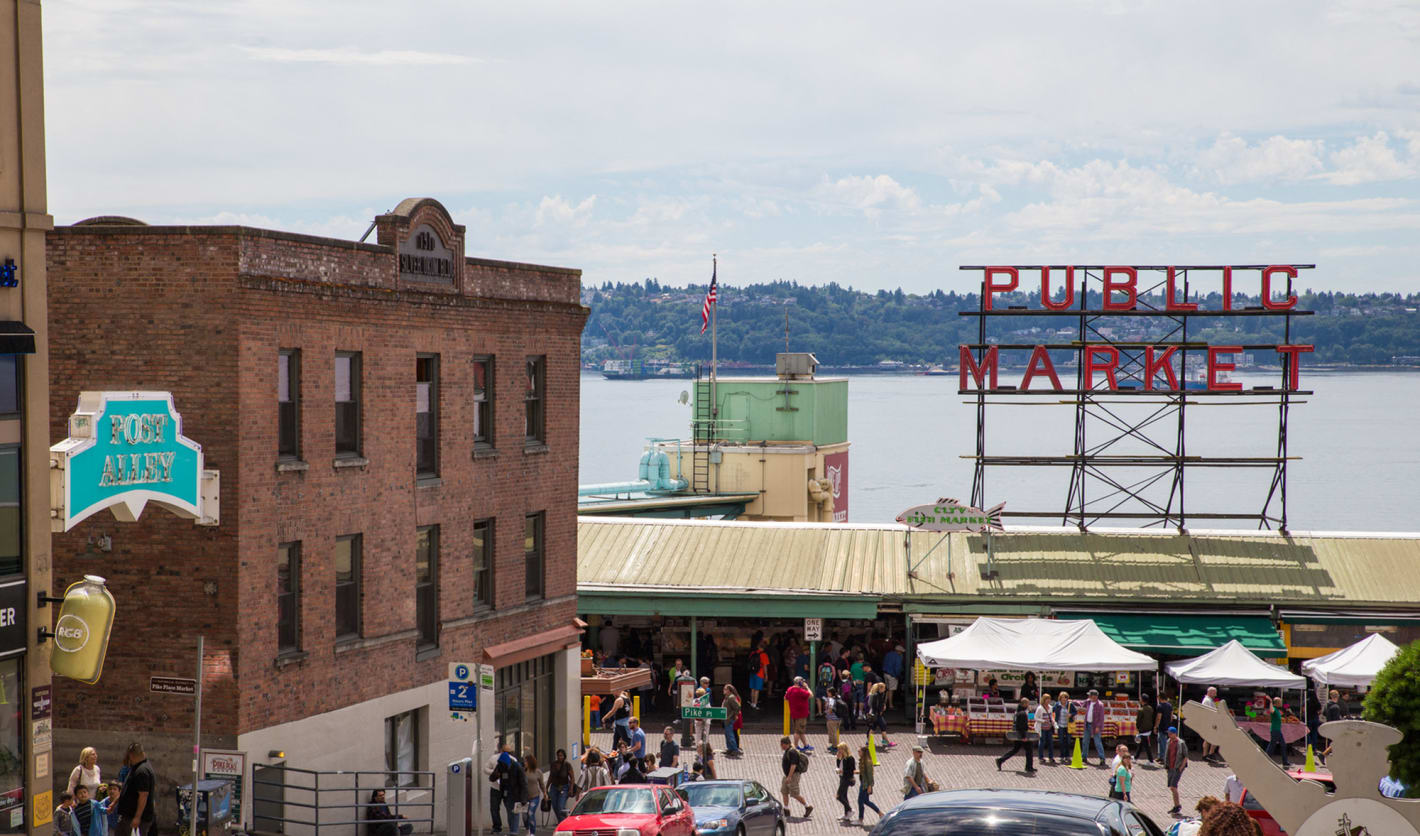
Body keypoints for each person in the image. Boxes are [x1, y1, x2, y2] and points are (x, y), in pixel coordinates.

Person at [115, 742, 155, 836]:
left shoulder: (142, 771)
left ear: (132, 755)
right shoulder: (136, 767)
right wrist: (114, 804)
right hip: (128, 816)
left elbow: (143, 795)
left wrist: (137, 817)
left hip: (135, 818)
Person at [996, 698, 1036, 773]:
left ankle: (1001, 760)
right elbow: (1021, 725)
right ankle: (1029, 767)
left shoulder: (1018, 711)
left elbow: (1020, 723)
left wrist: (1028, 726)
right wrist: (1023, 736)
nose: (1028, 705)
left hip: (1017, 733)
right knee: (1029, 750)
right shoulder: (1022, 713)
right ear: (1024, 704)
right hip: (1022, 734)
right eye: (1027, 704)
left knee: (1015, 749)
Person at [778, 736, 813, 818]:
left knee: (794, 793)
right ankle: (786, 809)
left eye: (782, 744)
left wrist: (789, 777)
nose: (781, 746)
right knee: (784, 791)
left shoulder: (792, 752)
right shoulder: (788, 751)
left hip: (793, 775)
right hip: (787, 775)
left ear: (786, 744)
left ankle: (807, 806)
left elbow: (793, 765)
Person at [485, 744, 513, 833]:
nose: (507, 754)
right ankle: (497, 827)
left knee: (510, 808)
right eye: (505, 752)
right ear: (501, 751)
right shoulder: (494, 758)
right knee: (494, 808)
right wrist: (495, 772)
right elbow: (485, 769)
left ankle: (512, 828)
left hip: (507, 788)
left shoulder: (513, 760)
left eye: (509, 752)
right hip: (495, 787)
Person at [1163, 726, 1189, 816]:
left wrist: (1181, 767)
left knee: (1173, 787)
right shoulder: (1168, 742)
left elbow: (1186, 756)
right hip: (1170, 767)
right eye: (1168, 734)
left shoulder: (1181, 743)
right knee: (1172, 787)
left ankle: (1177, 806)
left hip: (1177, 767)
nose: (1169, 735)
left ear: (1175, 734)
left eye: (1170, 734)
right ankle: (1176, 805)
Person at [856, 743, 882, 825]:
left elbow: (870, 775)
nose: (858, 753)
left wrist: (870, 786)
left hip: (865, 785)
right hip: (864, 783)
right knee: (866, 801)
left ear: (863, 752)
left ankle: (860, 819)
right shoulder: (863, 760)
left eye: (859, 751)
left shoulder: (867, 762)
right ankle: (880, 813)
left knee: (860, 801)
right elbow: (864, 772)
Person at [786, 676, 813, 752]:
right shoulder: (800, 691)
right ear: (799, 682)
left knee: (801, 731)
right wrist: (807, 687)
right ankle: (795, 746)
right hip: (801, 714)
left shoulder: (790, 689)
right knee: (798, 731)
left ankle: (806, 745)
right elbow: (811, 695)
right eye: (802, 682)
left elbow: (786, 697)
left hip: (794, 713)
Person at [547, 749, 574, 822]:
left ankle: (563, 823)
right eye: (558, 756)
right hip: (554, 787)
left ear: (564, 756)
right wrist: (546, 787)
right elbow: (550, 776)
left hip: (564, 788)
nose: (559, 757)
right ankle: (561, 821)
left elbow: (572, 778)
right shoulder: (553, 764)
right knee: (554, 806)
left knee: (560, 807)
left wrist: (571, 789)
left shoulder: (567, 765)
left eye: (561, 756)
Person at [1083, 690, 1108, 766]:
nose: (1089, 697)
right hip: (1087, 724)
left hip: (1095, 725)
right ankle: (1084, 756)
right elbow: (1081, 703)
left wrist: (1098, 726)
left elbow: (1101, 717)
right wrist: (1072, 701)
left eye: (1090, 695)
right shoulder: (1088, 702)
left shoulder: (1100, 705)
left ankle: (1102, 758)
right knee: (1085, 741)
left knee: (1097, 742)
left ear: (1094, 696)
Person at [523, 753, 545, 836]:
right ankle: (527, 829)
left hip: (535, 796)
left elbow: (542, 784)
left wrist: (545, 793)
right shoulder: (523, 771)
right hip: (524, 797)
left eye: (526, 761)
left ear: (530, 762)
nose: (525, 763)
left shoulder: (538, 772)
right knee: (524, 816)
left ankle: (532, 833)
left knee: (530, 813)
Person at [1264, 696, 1290, 767]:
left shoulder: (1278, 710)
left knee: (1282, 745)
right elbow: (1271, 710)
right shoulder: (1274, 709)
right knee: (1273, 745)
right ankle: (1266, 758)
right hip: (1275, 730)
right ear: (1277, 703)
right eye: (1280, 702)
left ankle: (1285, 761)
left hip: (1277, 730)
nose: (1281, 703)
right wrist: (1270, 702)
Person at [868, 682, 893, 749]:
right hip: (877, 714)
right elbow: (875, 705)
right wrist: (881, 709)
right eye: (884, 688)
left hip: (876, 714)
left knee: (873, 728)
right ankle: (887, 742)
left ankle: (869, 742)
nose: (885, 689)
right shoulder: (876, 695)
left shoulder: (880, 694)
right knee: (883, 727)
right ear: (881, 688)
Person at [835, 743, 856, 821]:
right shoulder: (843, 757)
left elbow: (851, 770)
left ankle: (850, 810)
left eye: (840, 749)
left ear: (844, 749)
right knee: (844, 796)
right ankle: (846, 814)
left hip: (846, 779)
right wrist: (838, 759)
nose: (838, 751)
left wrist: (842, 771)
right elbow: (839, 766)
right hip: (842, 778)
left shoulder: (850, 758)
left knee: (839, 796)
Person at [722, 684, 744, 757]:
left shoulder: (731, 697)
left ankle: (735, 749)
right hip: (726, 719)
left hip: (729, 719)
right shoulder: (727, 697)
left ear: (729, 690)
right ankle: (729, 748)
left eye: (725, 689)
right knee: (727, 735)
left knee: (730, 735)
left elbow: (737, 707)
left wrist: (734, 715)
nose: (723, 690)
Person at [881, 644, 904, 710]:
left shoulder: (888, 654)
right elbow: (897, 668)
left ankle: (884, 704)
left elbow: (884, 663)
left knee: (887, 689)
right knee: (891, 690)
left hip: (885, 673)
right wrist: (897, 675)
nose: (901, 653)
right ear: (899, 651)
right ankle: (890, 705)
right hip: (892, 675)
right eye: (901, 652)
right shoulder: (898, 657)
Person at [1135, 693, 1156, 763]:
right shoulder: (1150, 708)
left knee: (1146, 745)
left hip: (1143, 729)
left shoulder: (1141, 710)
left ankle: (1151, 760)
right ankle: (1136, 757)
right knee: (1141, 744)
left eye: (1140, 698)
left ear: (1142, 700)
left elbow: (1138, 721)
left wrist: (1138, 728)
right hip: (1149, 728)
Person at [1036, 693, 1056, 764]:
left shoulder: (1050, 707)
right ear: (1044, 700)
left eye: (1049, 699)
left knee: (1050, 742)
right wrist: (1043, 721)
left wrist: (1053, 722)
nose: (1048, 700)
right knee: (1042, 742)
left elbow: (1051, 716)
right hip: (1042, 728)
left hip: (1049, 727)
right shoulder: (1040, 708)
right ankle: (1041, 757)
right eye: (1047, 699)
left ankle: (1051, 757)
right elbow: (1035, 717)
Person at [1200, 686, 1220, 761]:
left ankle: (1205, 755)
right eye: (1214, 693)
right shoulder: (1207, 701)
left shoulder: (1209, 700)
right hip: (1210, 722)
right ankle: (1210, 754)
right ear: (1210, 692)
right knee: (1215, 738)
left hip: (1209, 722)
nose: (1216, 695)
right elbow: (1208, 712)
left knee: (1207, 739)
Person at [1155, 692, 1176, 762]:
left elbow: (1159, 717)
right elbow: (1171, 716)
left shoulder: (1160, 706)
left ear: (1160, 697)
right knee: (1162, 741)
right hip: (1168, 726)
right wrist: (1169, 723)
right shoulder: (1170, 705)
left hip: (1162, 726)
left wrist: (1156, 726)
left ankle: (1164, 758)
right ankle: (1161, 756)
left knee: (1163, 742)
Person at [749, 642, 770, 709]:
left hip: (752, 673)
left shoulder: (752, 653)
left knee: (752, 688)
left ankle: (752, 702)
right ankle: (755, 704)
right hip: (759, 674)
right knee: (757, 689)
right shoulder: (764, 655)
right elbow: (764, 666)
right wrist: (766, 675)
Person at [1055, 691, 1075, 762]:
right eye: (1062, 698)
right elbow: (1053, 711)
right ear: (1060, 698)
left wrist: (1071, 714)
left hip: (1068, 725)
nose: (1063, 699)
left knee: (1068, 741)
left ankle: (1067, 755)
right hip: (1060, 725)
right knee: (1061, 741)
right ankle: (1061, 756)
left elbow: (1075, 711)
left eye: (1065, 698)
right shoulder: (1057, 705)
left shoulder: (1070, 704)